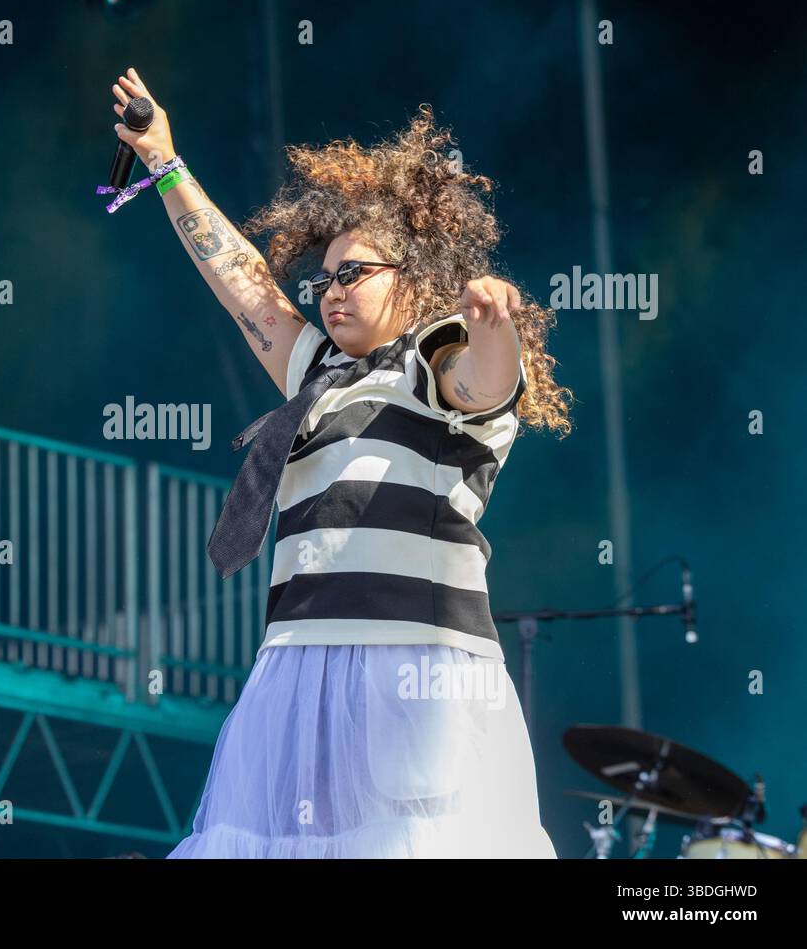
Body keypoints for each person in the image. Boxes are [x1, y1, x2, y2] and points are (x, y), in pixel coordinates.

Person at [110, 67, 571, 858]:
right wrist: (166, 164)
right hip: (298, 665)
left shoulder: (432, 362)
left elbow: (485, 383)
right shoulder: (316, 375)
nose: (330, 290)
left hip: (414, 669)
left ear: (416, 278)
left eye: (353, 274)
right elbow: (244, 286)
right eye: (323, 277)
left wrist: (496, 326)